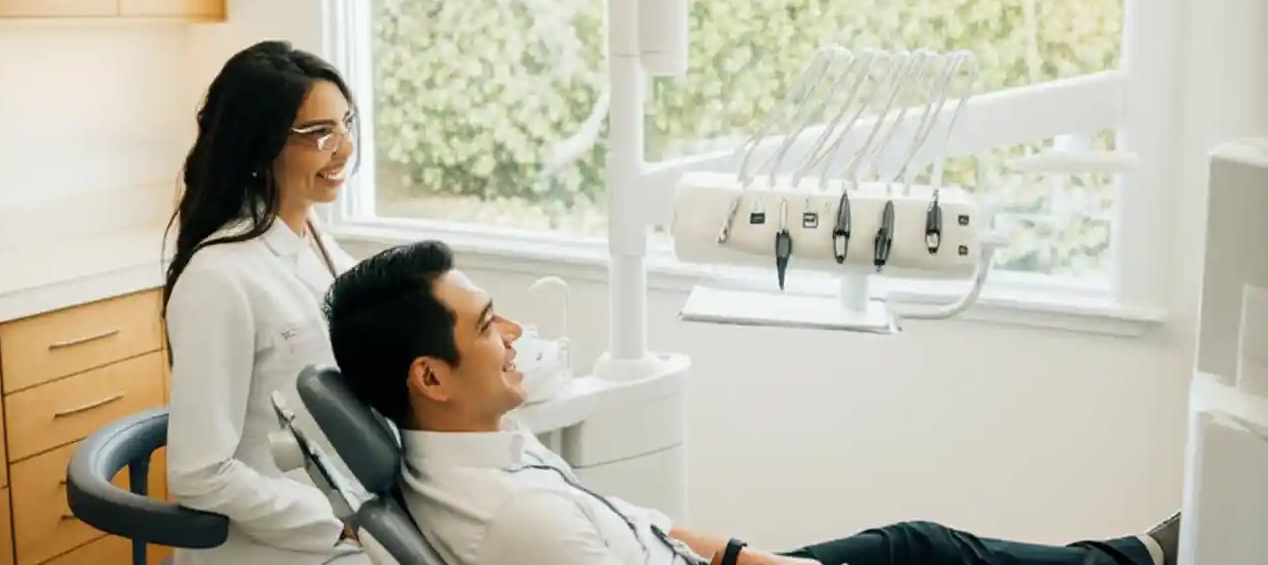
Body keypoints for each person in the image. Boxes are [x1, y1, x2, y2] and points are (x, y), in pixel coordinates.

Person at [325, 240, 1184, 565]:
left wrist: (760, 560)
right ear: (429, 378)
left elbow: (640, 522)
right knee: (925, 555)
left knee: (915, 545)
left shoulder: (487, 447)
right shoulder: (511, 520)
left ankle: (1130, 559)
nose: (513, 331)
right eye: (485, 326)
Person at [162, 41, 369, 565]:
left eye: (345, 123)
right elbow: (199, 473)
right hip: (278, 543)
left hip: (346, 515)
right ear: (260, 148)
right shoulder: (218, 278)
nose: (343, 148)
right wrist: (337, 525)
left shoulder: (315, 241)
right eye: (320, 133)